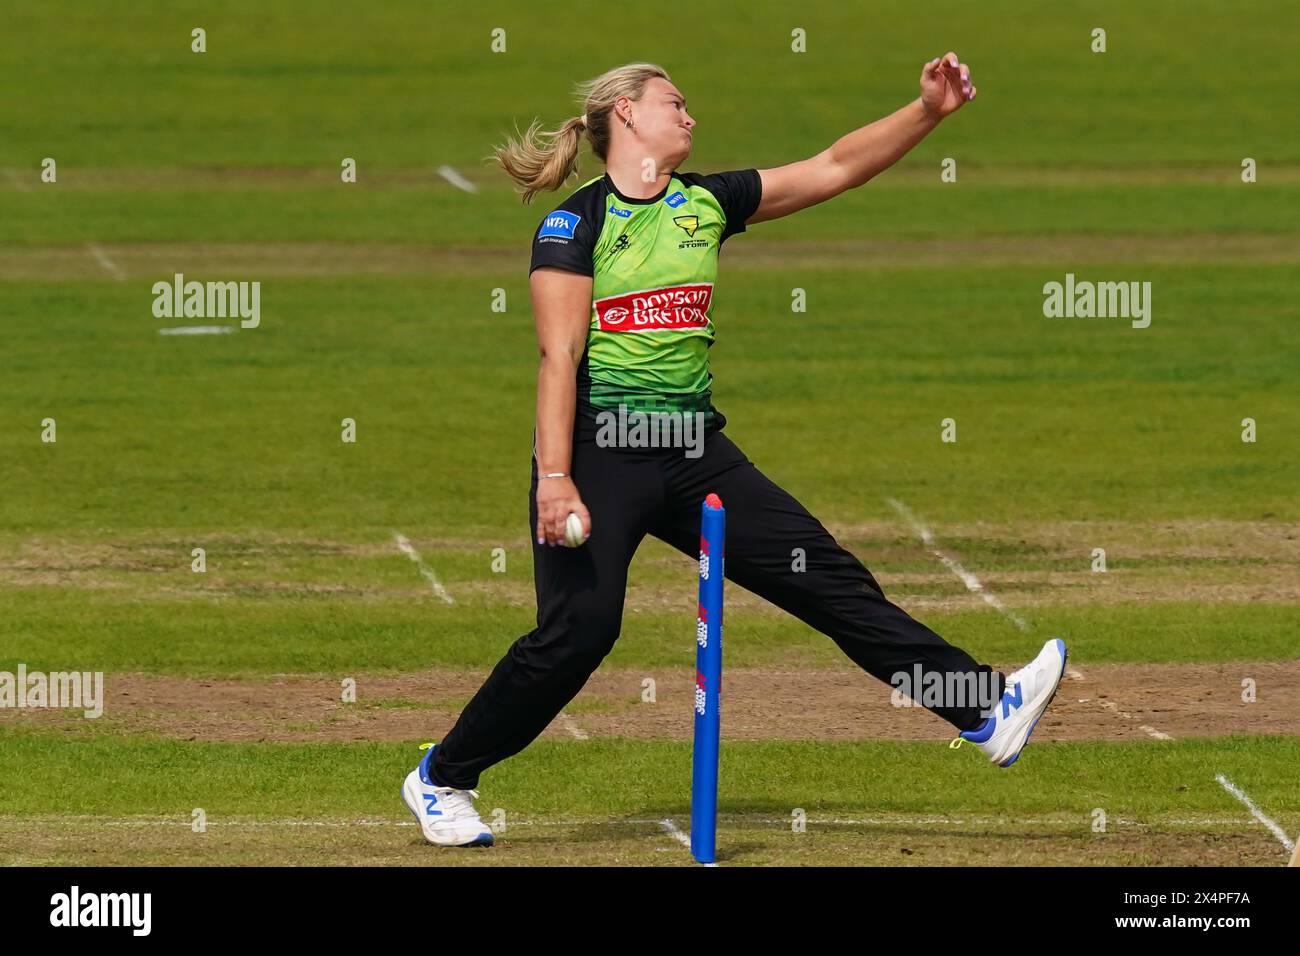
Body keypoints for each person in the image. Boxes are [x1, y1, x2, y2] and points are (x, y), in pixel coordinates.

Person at [401, 56, 1068, 848]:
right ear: (624, 113)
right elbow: (559, 359)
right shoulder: (574, 226)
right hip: (599, 449)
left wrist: (928, 112)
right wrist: (555, 480)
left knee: (826, 579)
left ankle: (983, 711)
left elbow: (835, 166)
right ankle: (442, 778)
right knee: (577, 635)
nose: (689, 116)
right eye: (674, 103)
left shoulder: (708, 202)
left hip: (691, 450)